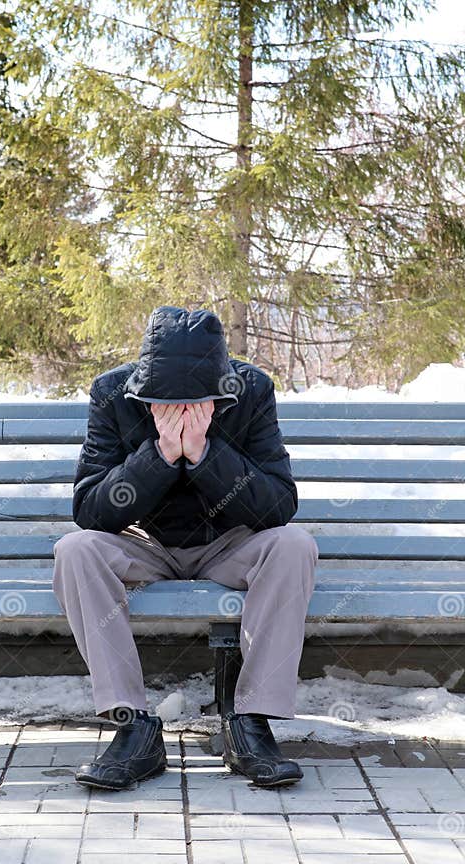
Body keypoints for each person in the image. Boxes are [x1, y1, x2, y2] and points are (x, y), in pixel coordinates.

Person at [52, 305, 318, 791]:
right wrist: (159, 455)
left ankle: (251, 724)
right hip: (145, 542)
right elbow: (91, 509)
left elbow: (278, 507)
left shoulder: (251, 391)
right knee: (76, 550)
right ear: (143, 388)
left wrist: (204, 453)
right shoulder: (113, 394)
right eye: (163, 402)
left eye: (194, 402)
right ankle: (133, 726)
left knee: (293, 546)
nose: (178, 411)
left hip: (227, 545)